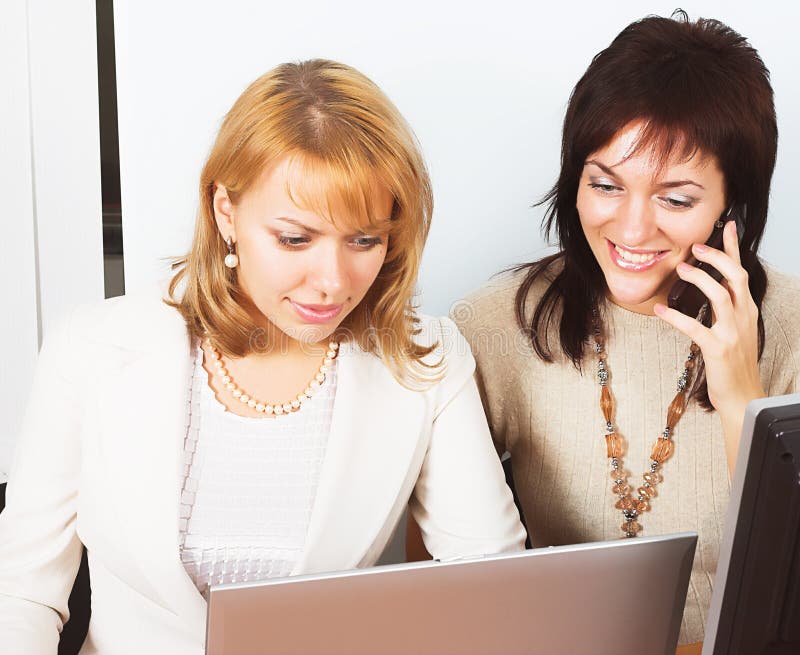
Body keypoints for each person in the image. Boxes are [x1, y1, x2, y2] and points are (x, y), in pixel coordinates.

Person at [0, 59, 526, 654]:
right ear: (226, 211)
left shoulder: (426, 359)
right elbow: (22, 593)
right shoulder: (91, 348)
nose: (331, 281)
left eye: (364, 240)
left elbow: (492, 585)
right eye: (295, 238)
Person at [447, 13, 800, 650]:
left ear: (732, 203)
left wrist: (742, 397)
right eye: (605, 185)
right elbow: (445, 570)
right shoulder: (496, 325)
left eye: (676, 199)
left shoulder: (794, 327)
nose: (632, 230)